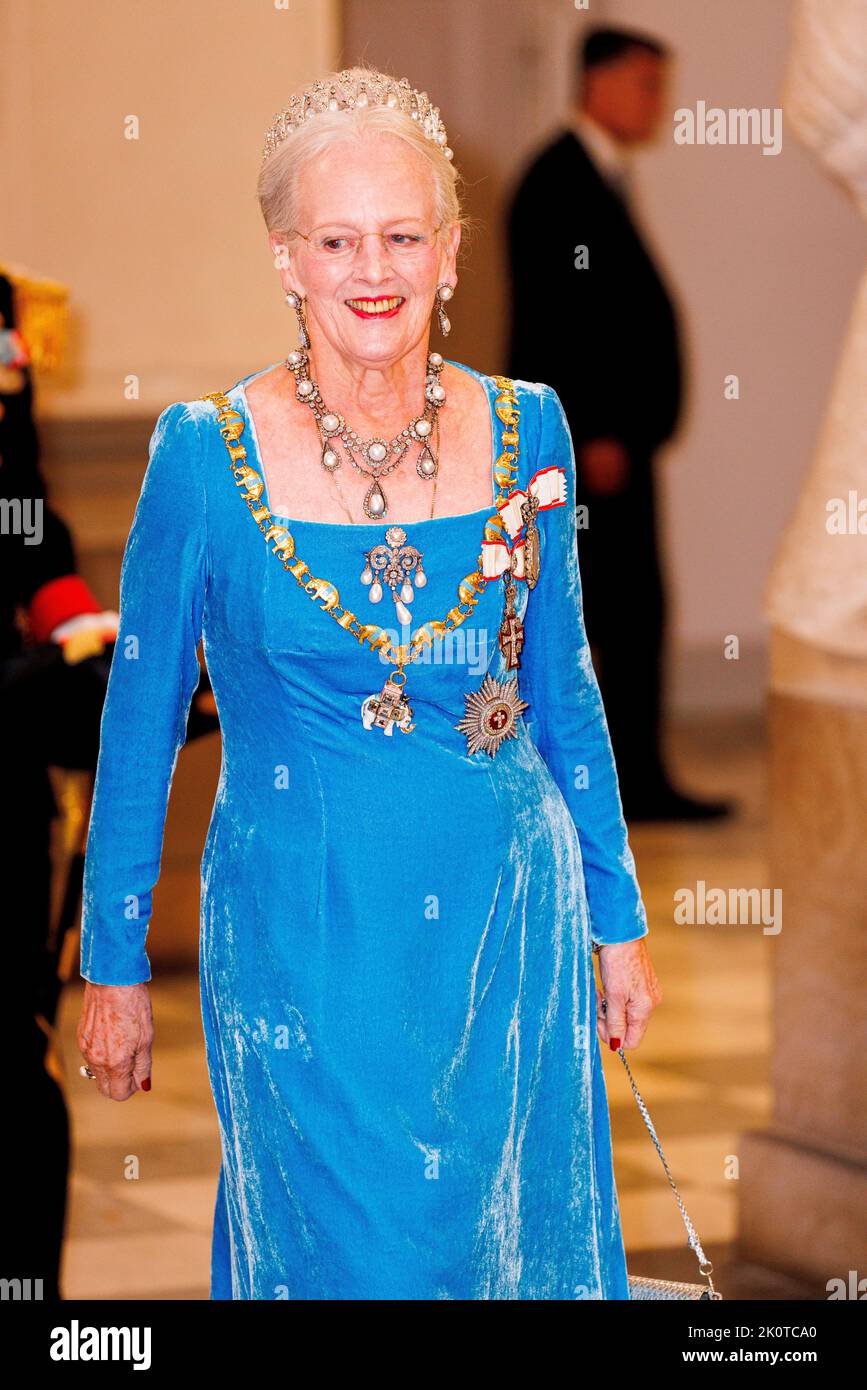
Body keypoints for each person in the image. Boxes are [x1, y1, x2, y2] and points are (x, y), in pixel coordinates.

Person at [77, 65, 662, 1301]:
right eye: (336, 240)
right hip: (307, 938)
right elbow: (134, 726)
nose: (373, 268)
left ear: (449, 250)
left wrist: (618, 922)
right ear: (286, 258)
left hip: (510, 925)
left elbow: (564, 689)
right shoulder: (203, 455)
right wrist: (114, 962)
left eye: (402, 235)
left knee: (502, 1258)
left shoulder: (531, 431)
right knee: (342, 1259)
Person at [507, 28, 730, 821]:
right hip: (591, 450)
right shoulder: (557, 181)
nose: (656, 103)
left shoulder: (598, 176)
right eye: (643, 84)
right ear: (597, 82)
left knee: (634, 612)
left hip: (616, 446)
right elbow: (558, 324)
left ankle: (638, 777)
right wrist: (592, 431)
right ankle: (613, 786)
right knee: (609, 614)